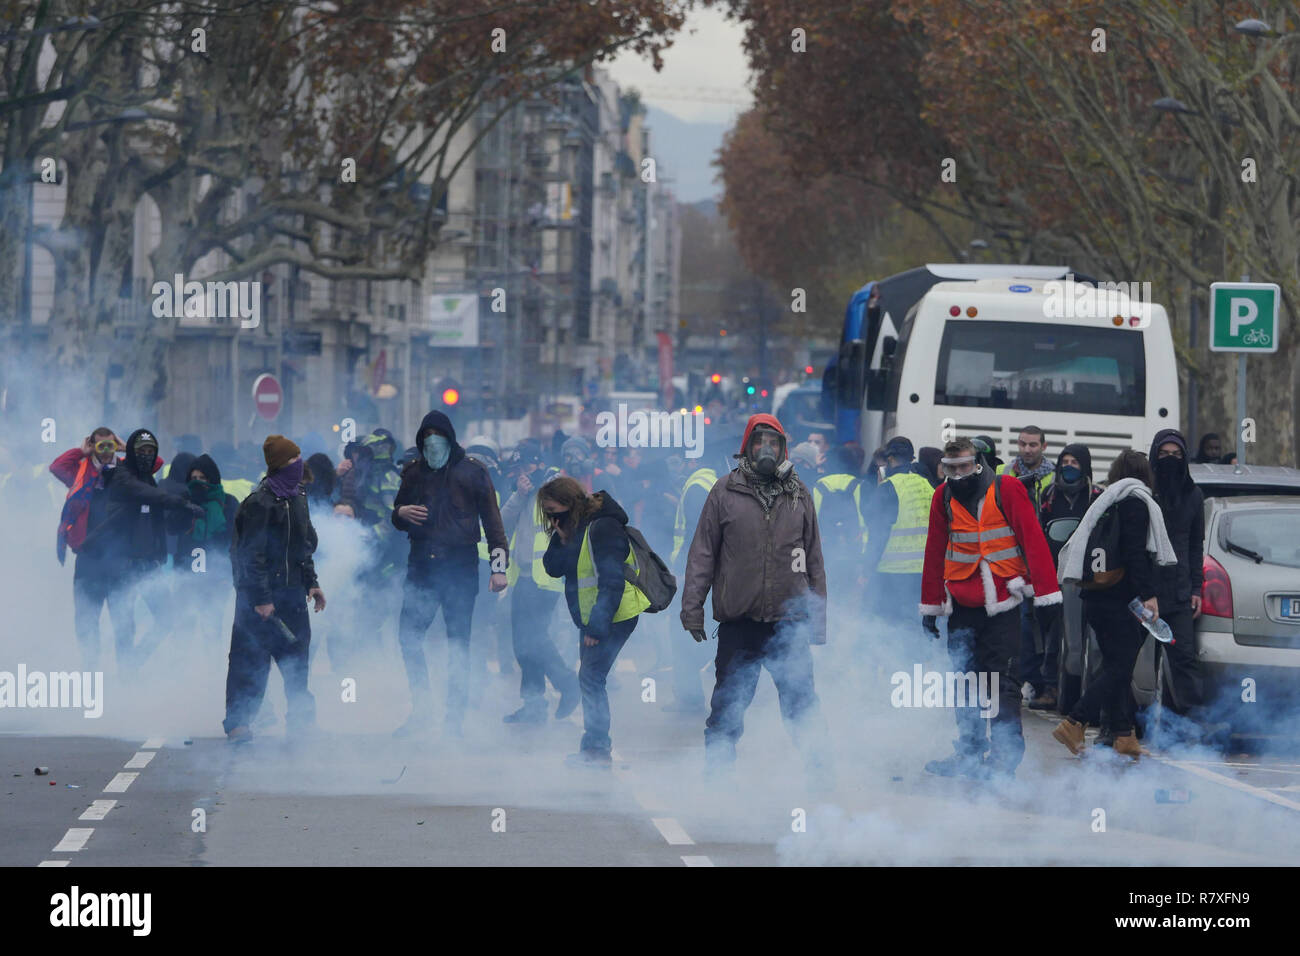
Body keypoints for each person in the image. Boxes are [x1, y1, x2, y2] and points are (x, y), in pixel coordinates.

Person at [680, 413, 833, 788]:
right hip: (739, 624)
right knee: (726, 709)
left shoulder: (799, 494)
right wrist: (692, 608)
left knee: (801, 707)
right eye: (759, 442)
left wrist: (817, 622)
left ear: (783, 448)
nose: (767, 449)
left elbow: (814, 560)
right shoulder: (724, 491)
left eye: (774, 443)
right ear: (747, 447)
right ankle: (717, 780)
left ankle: (821, 777)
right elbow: (702, 554)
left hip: (789, 625)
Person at [920, 436, 1062, 779]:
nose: (958, 474)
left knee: (1002, 683)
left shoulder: (1006, 489)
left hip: (1002, 603)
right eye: (951, 469)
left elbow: (1033, 538)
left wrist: (1046, 596)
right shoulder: (943, 496)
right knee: (965, 681)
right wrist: (930, 606)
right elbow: (935, 549)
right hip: (961, 604)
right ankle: (969, 754)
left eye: (964, 467)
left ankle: (1003, 761)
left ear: (978, 463)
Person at [390, 411, 508, 739]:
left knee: (459, 643)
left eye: (437, 435)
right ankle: (422, 709)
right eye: (426, 436)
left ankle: (454, 719)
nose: (432, 441)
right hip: (421, 567)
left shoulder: (473, 472)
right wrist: (398, 513)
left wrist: (499, 568)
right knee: (408, 637)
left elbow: (494, 523)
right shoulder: (413, 472)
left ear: (449, 437)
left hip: (460, 567)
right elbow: (397, 517)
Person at [1052, 450, 1175, 761]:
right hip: (1121, 600)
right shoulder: (1136, 502)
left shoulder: (1106, 501)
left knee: (1116, 667)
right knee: (1119, 668)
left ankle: (1123, 734)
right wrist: (1149, 594)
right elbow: (1135, 553)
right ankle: (1075, 721)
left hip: (1096, 596)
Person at [539, 477, 649, 768]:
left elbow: (611, 581)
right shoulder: (572, 527)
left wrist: (597, 627)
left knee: (590, 677)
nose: (551, 517)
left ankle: (597, 750)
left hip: (613, 615)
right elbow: (552, 568)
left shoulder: (603, 527)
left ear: (570, 502)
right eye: (547, 512)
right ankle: (593, 748)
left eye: (554, 510)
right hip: (592, 616)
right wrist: (561, 538)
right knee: (589, 677)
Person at [71, 429, 201, 673]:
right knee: (107, 624)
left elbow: (159, 521)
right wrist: (179, 502)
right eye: (140, 451)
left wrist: (183, 517)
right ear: (130, 452)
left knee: (166, 618)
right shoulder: (121, 477)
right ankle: (101, 673)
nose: (146, 456)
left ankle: (133, 664)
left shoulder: (149, 480)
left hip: (148, 565)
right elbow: (148, 495)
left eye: (150, 451)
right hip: (118, 564)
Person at [224, 436, 326, 742]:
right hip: (259, 600)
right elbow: (249, 555)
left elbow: (304, 547)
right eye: (293, 461)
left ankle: (301, 724)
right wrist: (261, 599)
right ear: (280, 466)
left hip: (292, 595)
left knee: (296, 661)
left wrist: (312, 583)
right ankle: (239, 723)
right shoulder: (260, 503)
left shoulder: (298, 497)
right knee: (249, 661)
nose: (299, 465)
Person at [498, 445, 577, 723]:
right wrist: (520, 494)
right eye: (517, 471)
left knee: (533, 638)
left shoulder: (555, 488)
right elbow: (502, 521)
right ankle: (533, 704)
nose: (521, 475)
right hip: (525, 577)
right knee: (522, 643)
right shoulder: (525, 493)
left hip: (545, 578)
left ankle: (568, 683)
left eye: (526, 469)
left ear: (538, 464)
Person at [1023, 443, 1101, 712]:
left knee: (1071, 634)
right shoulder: (1049, 494)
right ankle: (1047, 685)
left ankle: (1062, 688)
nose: (1068, 467)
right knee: (1047, 630)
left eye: (1074, 462)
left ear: (1085, 466)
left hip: (1085, 575)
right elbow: (1038, 529)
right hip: (1051, 573)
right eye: (1064, 461)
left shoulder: (1097, 496)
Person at [1146, 429, 1206, 740]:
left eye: (1176, 454)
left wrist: (1197, 588)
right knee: (1131, 661)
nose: (1170, 460)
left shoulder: (1194, 495)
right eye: (1164, 454)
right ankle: (1117, 725)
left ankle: (1190, 727)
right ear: (1154, 455)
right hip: (1144, 592)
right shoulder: (1145, 492)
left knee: (1183, 659)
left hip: (1180, 591)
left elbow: (1196, 545)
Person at [861, 436, 932, 626]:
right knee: (914, 626)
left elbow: (877, 533)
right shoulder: (927, 484)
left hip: (891, 574)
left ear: (890, 460)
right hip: (924, 572)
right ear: (911, 459)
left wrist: (866, 569)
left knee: (887, 628)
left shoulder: (888, 488)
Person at [172, 453, 241, 646]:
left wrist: (228, 573)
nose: (198, 482)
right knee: (185, 625)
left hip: (216, 576)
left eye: (202, 478)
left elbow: (234, 538)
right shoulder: (185, 502)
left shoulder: (228, 503)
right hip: (187, 575)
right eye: (193, 478)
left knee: (212, 626)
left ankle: (210, 667)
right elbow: (173, 530)